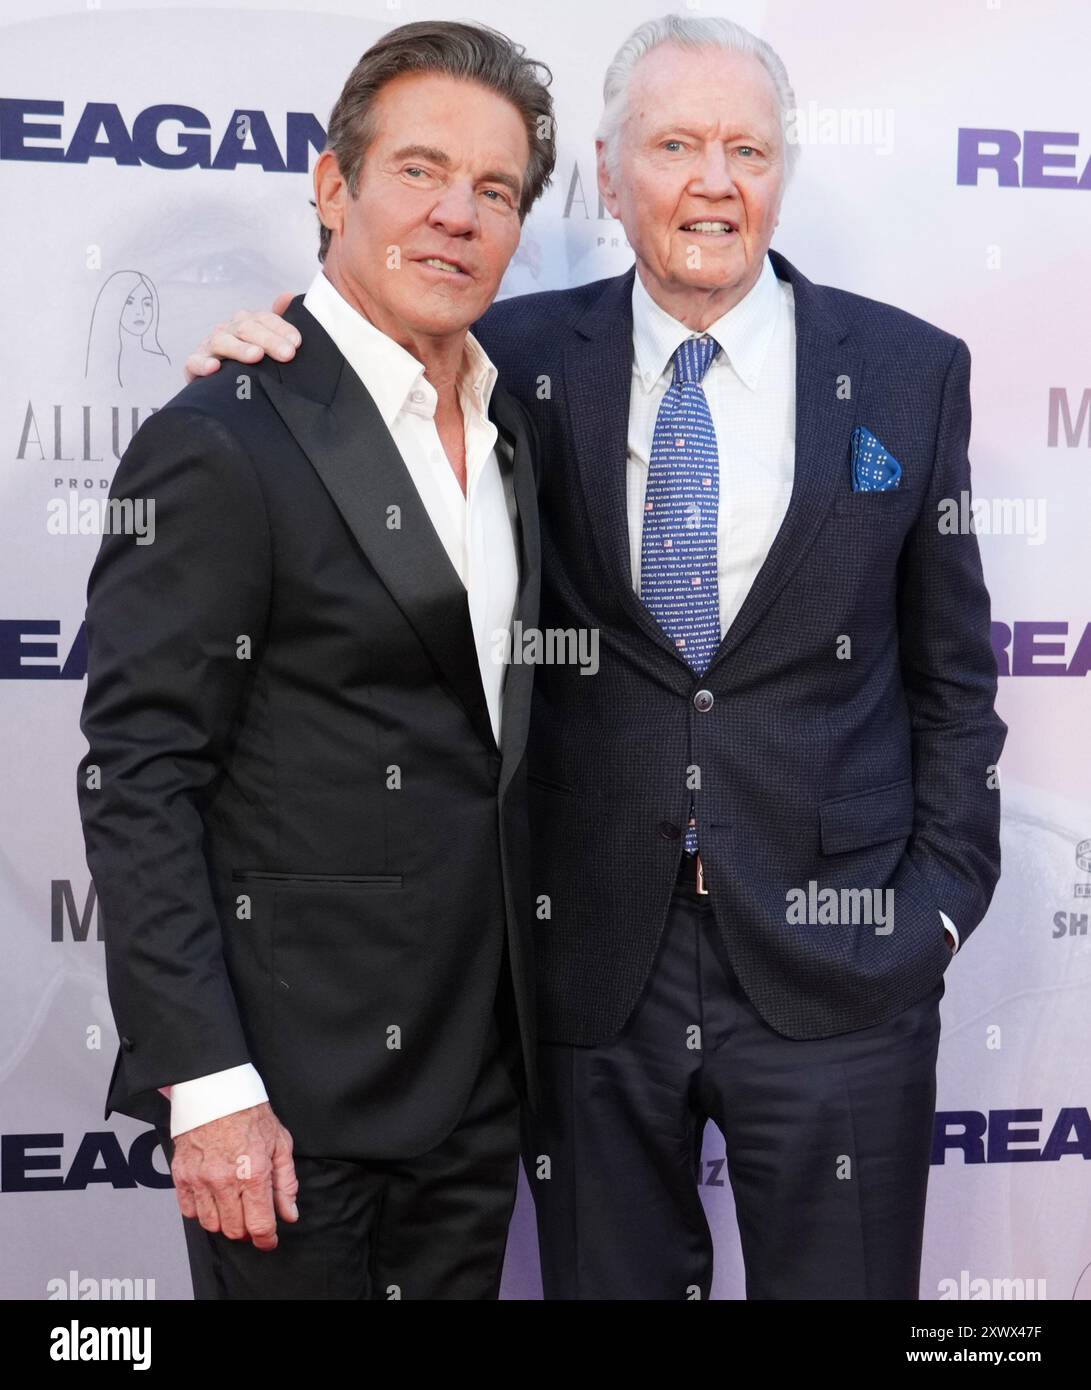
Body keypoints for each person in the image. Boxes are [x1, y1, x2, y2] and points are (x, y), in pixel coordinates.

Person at [187, 14, 1006, 1300]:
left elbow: (954, 679)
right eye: (674, 144)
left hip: (842, 970)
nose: (714, 182)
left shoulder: (905, 372)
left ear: (781, 171)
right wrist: (262, 360)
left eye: (747, 147)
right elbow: (351, 385)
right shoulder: (502, 359)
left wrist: (936, 909)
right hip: (587, 972)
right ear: (610, 178)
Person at [78, 20, 553, 1300]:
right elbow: (139, 776)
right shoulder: (224, 438)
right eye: (418, 170)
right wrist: (212, 1088)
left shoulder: (519, 427)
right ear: (332, 186)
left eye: (495, 190)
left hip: (477, 1082)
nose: (457, 214)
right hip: (287, 1108)